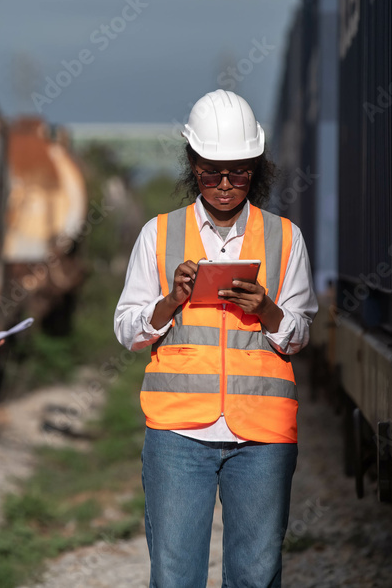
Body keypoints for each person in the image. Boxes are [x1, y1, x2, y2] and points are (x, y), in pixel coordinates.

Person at [114, 90, 318, 587]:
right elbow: (127, 329)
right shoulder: (158, 235)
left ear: (256, 167)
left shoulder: (285, 238)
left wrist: (269, 311)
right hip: (178, 436)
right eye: (211, 172)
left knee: (255, 576)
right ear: (192, 164)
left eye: (239, 172)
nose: (225, 185)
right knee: (175, 576)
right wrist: (168, 302)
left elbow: (300, 335)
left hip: (261, 438)